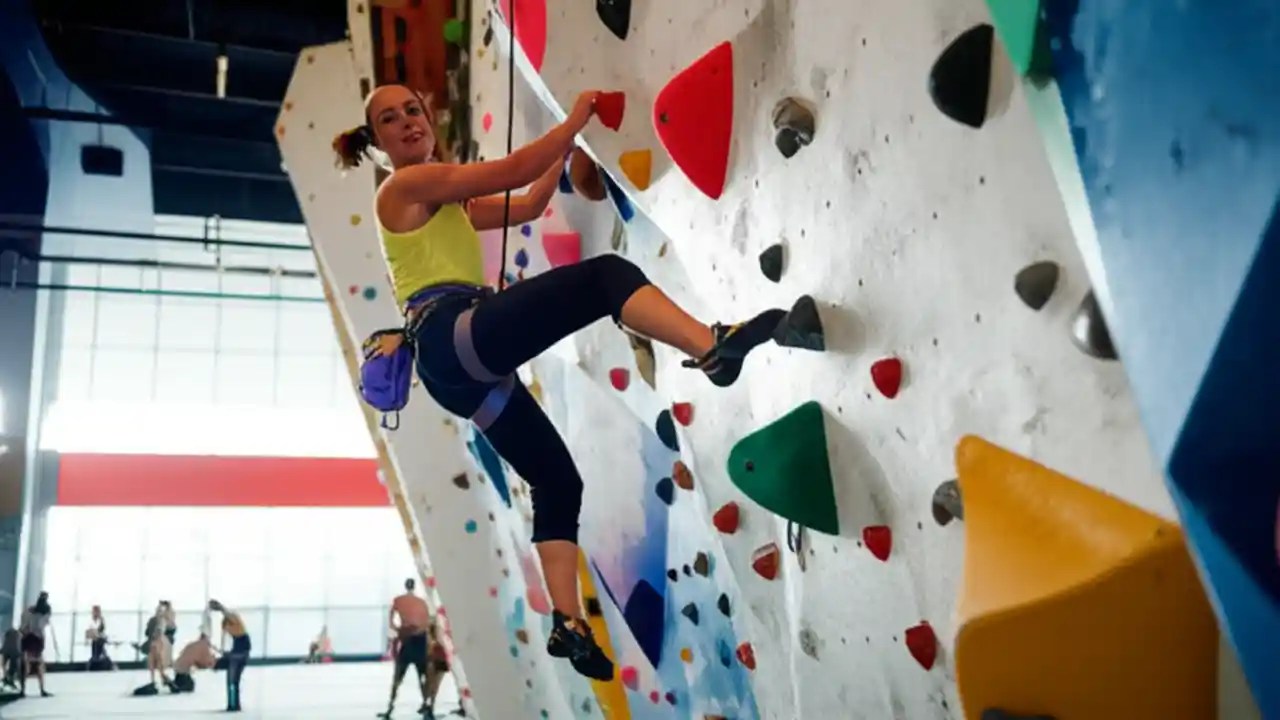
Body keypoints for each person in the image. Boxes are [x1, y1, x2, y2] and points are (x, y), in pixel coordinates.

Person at [333, 84, 789, 681]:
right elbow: (516, 168)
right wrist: (575, 116)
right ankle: (711, 345)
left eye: (412, 110)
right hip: (453, 337)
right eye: (389, 120)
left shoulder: (442, 201)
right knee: (606, 277)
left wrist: (575, 145)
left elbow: (524, 201)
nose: (406, 123)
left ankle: (567, 623)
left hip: (459, 370)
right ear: (380, 143)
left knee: (557, 479)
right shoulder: (405, 186)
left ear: (427, 116)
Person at [380, 579, 434, 718]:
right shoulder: (422, 603)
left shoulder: (398, 600)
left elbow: (391, 616)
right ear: (414, 586)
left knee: (398, 677)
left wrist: (397, 628)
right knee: (423, 677)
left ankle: (390, 707)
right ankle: (427, 707)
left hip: (408, 640)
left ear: (405, 586)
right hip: (419, 640)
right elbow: (427, 623)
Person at [208, 599, 251, 712]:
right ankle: (234, 704)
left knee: (232, 680)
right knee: (233, 680)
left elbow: (227, 613)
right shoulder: (226, 623)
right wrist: (222, 651)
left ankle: (233, 705)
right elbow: (225, 639)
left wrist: (220, 607)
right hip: (238, 650)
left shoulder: (233, 617)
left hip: (240, 650)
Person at [19, 591, 57, 697]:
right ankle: (41, 689)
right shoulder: (46, 611)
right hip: (36, 639)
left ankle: (23, 690)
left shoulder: (29, 611)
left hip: (27, 639)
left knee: (27, 664)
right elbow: (41, 626)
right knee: (39, 664)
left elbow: (23, 627)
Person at [85, 605, 115, 671]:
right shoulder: (90, 622)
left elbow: (102, 631)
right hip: (96, 645)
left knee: (103, 655)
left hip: (100, 644)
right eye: (95, 611)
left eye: (98, 611)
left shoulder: (101, 620)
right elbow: (89, 633)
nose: (97, 613)